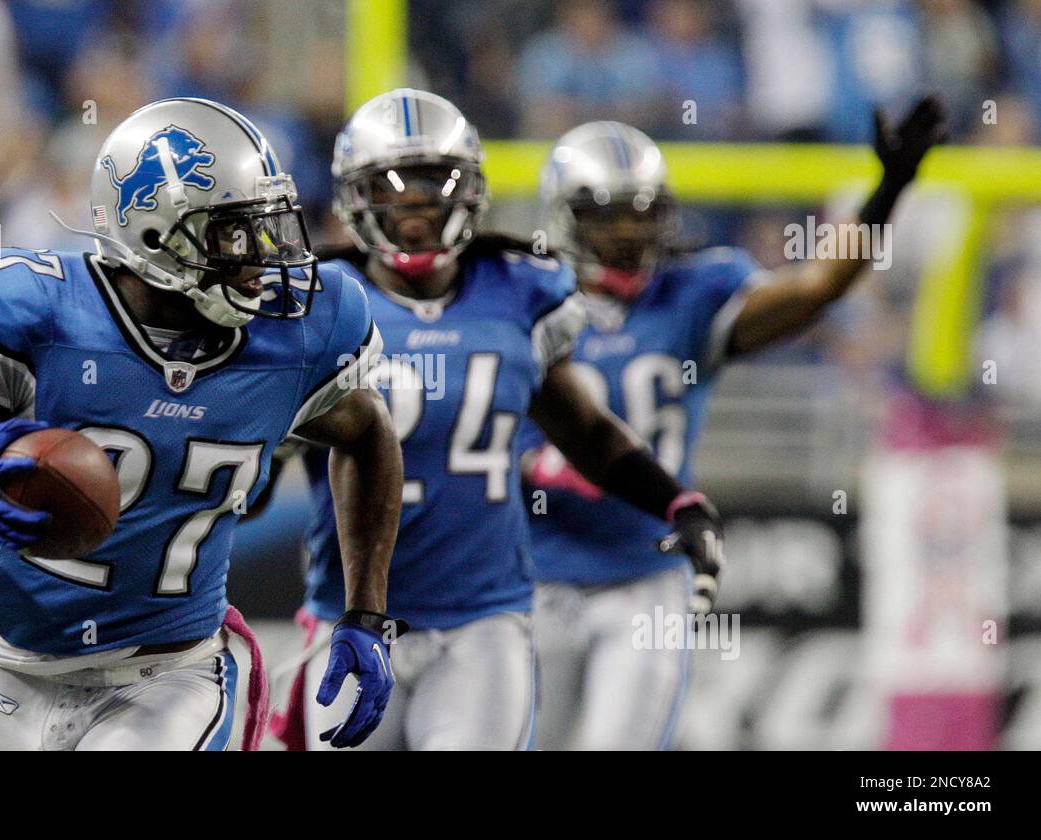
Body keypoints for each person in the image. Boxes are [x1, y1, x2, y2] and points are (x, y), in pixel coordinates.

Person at [0, 98, 406, 751]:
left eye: (267, 227)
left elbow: (369, 435)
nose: (264, 256)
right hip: (10, 673)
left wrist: (365, 613)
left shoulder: (295, 335)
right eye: (233, 234)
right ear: (152, 237)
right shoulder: (42, 320)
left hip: (172, 674)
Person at [274, 89, 724, 751]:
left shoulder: (519, 289)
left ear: (469, 196)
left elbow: (586, 431)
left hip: (483, 619)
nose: (415, 221)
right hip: (350, 617)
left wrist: (674, 500)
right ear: (353, 201)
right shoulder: (320, 302)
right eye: (394, 200)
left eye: (430, 198)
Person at [523, 98, 946, 749]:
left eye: (642, 214)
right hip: (533, 574)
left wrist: (886, 192)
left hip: (646, 573)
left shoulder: (694, 290)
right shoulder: (520, 297)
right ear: (566, 216)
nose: (630, 234)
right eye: (608, 217)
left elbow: (816, 289)